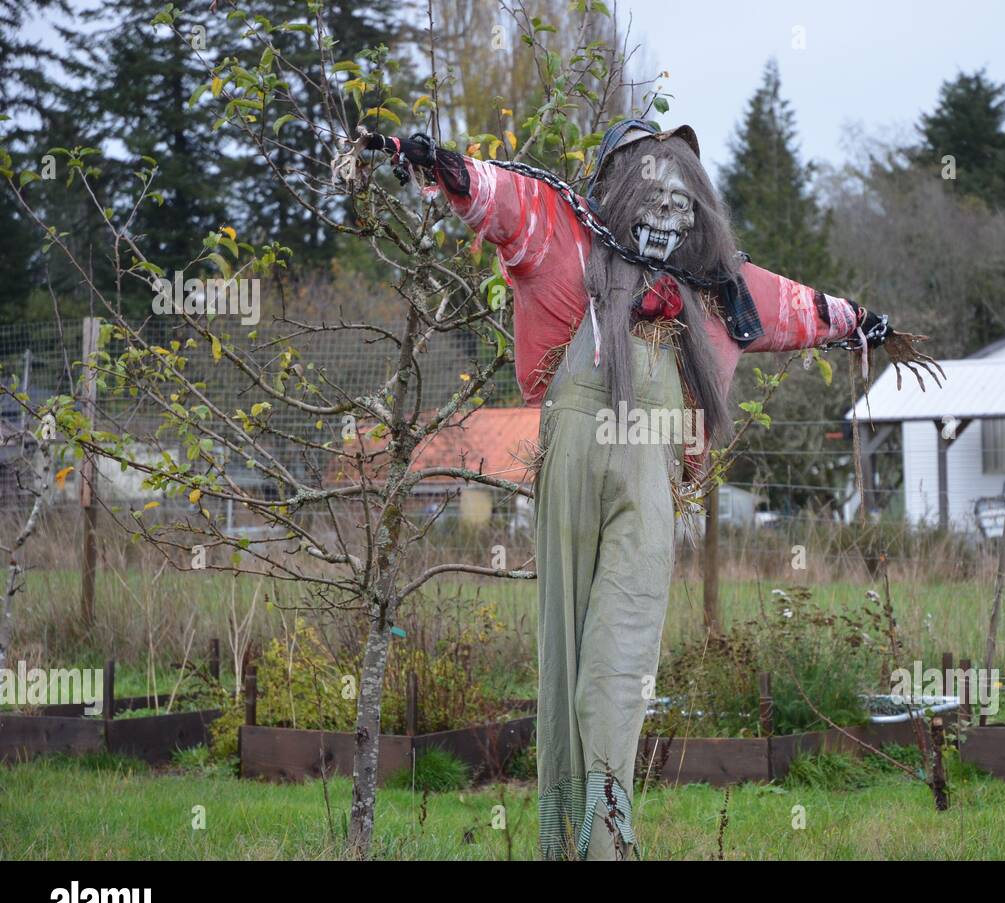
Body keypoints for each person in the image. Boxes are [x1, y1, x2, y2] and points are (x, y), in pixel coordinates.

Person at [359, 119, 941, 859]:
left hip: (629, 475)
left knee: (612, 663)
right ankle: (572, 839)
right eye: (652, 181)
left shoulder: (714, 289)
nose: (666, 201)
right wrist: (433, 162)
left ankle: (600, 838)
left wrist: (863, 325)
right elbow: (499, 197)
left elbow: (804, 308)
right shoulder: (576, 243)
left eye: (678, 189)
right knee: (575, 655)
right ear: (620, 184)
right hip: (590, 467)